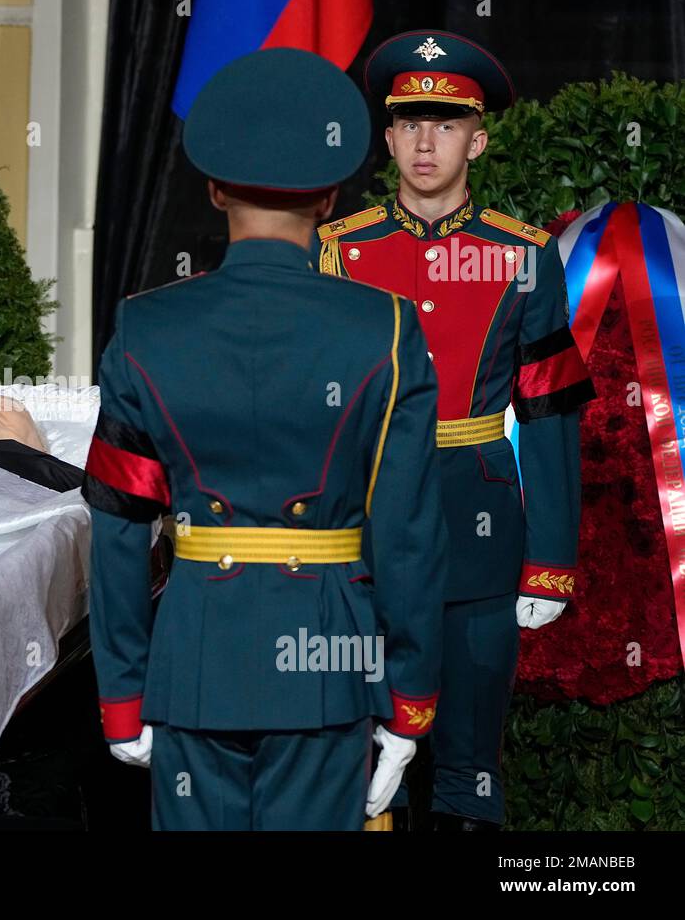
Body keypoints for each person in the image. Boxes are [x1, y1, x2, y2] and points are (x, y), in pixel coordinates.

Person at [81, 48, 446, 830]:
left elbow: (116, 526)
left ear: (212, 190)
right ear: (330, 196)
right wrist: (407, 703)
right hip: (331, 663)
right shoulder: (385, 329)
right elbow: (409, 534)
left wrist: (123, 693)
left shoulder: (146, 326)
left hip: (191, 663)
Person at [313, 30, 596, 829]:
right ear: (390, 135)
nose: (424, 141)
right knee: (367, 764)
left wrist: (550, 561)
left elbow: (548, 415)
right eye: (408, 123)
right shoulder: (338, 253)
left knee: (469, 767)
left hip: (480, 529)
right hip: (360, 534)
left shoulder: (526, 256)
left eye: (444, 124)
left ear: (478, 137)